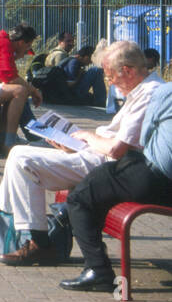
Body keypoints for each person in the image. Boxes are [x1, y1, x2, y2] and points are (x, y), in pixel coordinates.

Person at [0, 42, 159, 265]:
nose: (111, 84)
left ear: (127, 70)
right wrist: (74, 143)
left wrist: (86, 137)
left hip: (114, 168)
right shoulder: (141, 89)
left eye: (110, 77)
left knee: (22, 158)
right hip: (103, 159)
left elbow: (117, 148)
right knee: (19, 157)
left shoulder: (150, 94)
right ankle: (2, 241)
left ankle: (36, 243)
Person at [60, 80, 172, 291]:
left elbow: (146, 136)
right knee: (103, 183)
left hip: (159, 180)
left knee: (79, 198)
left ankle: (97, 270)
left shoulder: (166, 92)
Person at [0, 23, 40, 150]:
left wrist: (29, 90)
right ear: (21, 43)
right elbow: (11, 78)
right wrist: (34, 91)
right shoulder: (4, 45)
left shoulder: (2, 42)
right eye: (28, 46)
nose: (27, 51)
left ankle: (32, 135)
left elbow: (7, 77)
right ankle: (10, 142)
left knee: (18, 89)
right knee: (19, 91)